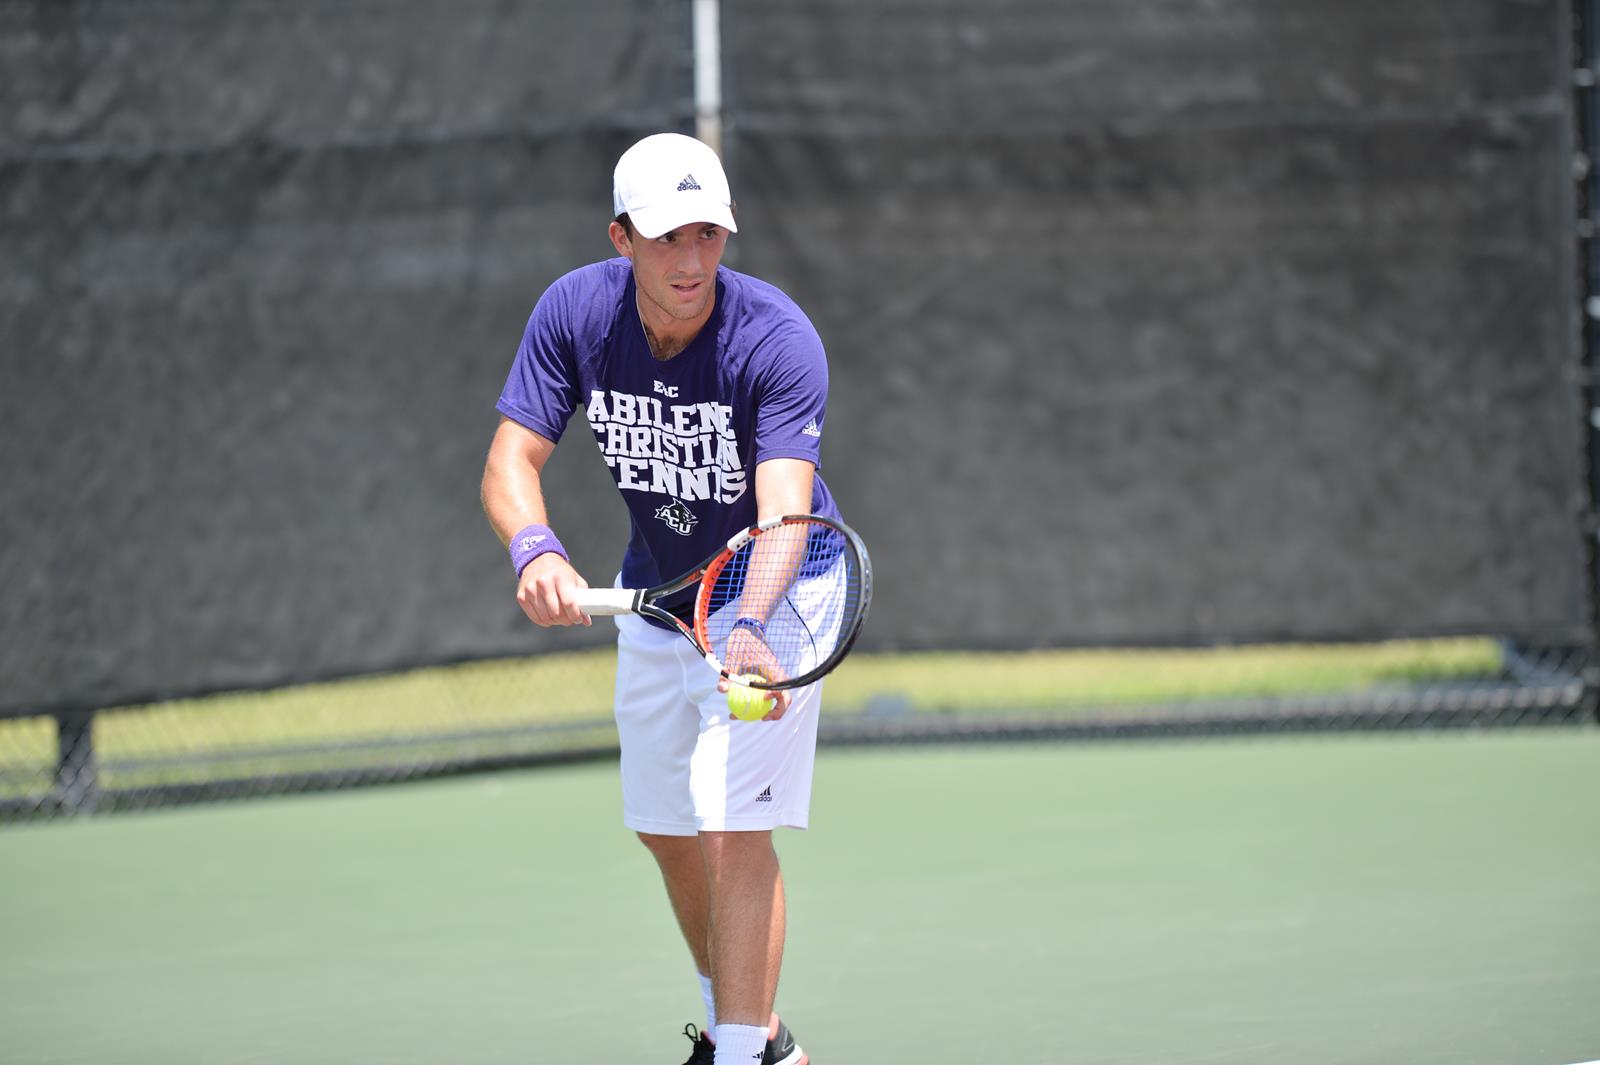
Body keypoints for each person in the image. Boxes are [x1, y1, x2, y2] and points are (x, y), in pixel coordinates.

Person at [480, 132, 837, 1065]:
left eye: (707, 234)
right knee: (666, 829)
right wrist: (536, 549)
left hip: (780, 595)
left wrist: (750, 625)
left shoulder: (776, 337)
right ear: (621, 238)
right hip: (659, 592)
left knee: (731, 826)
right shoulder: (574, 312)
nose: (691, 260)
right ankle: (759, 1039)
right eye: (667, 236)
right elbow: (511, 460)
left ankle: (738, 1054)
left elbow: (785, 513)